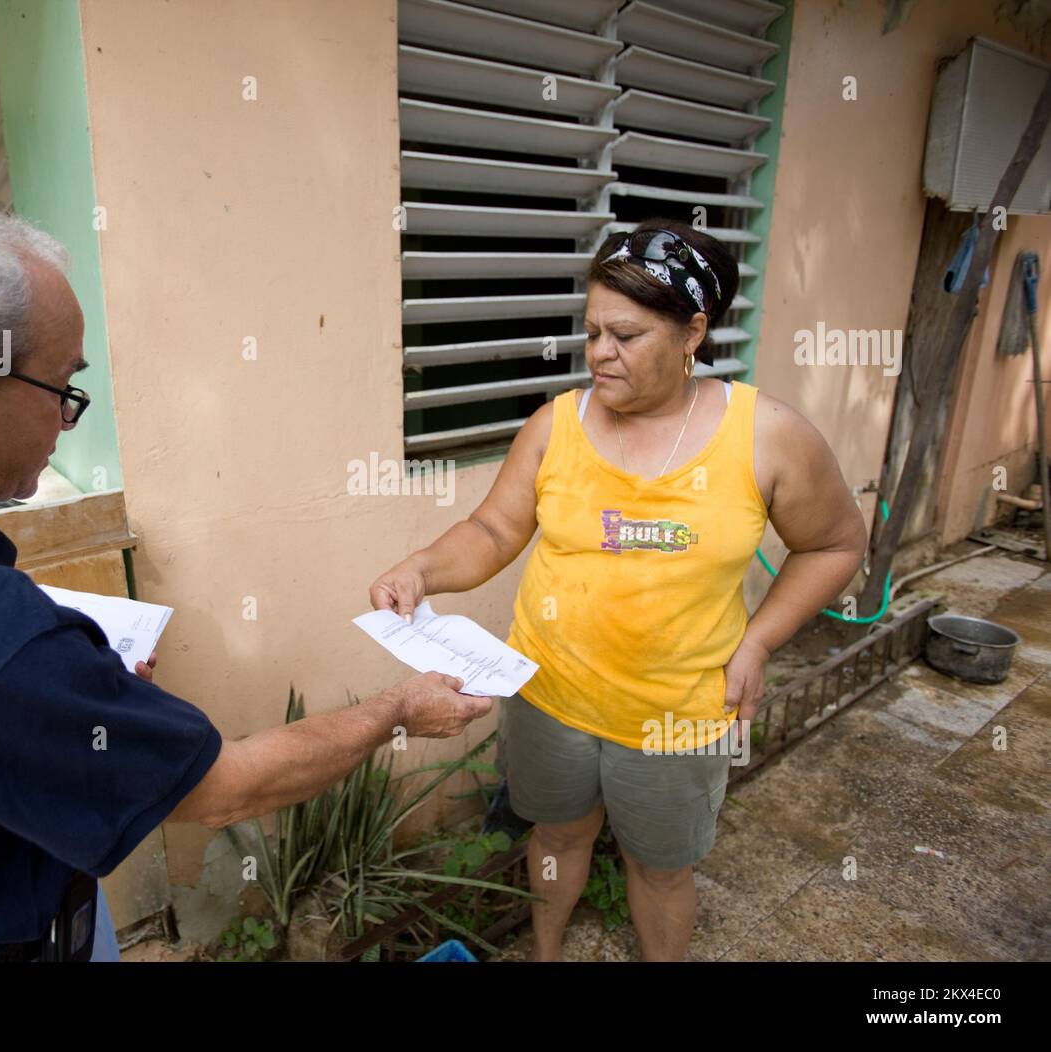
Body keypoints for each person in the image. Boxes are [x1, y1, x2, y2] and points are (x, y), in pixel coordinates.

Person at [0, 195, 487, 962]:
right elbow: (229, 786)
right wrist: (400, 706)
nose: (66, 422)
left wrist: (51, 711)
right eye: (62, 389)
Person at [370, 220, 867, 962]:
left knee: (661, 870)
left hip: (681, 713)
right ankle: (546, 953)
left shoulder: (765, 437)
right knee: (556, 834)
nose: (599, 353)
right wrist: (420, 568)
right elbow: (494, 530)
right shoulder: (555, 425)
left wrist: (758, 641)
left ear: (693, 331)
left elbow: (835, 544)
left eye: (626, 336)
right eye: (592, 331)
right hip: (551, 696)